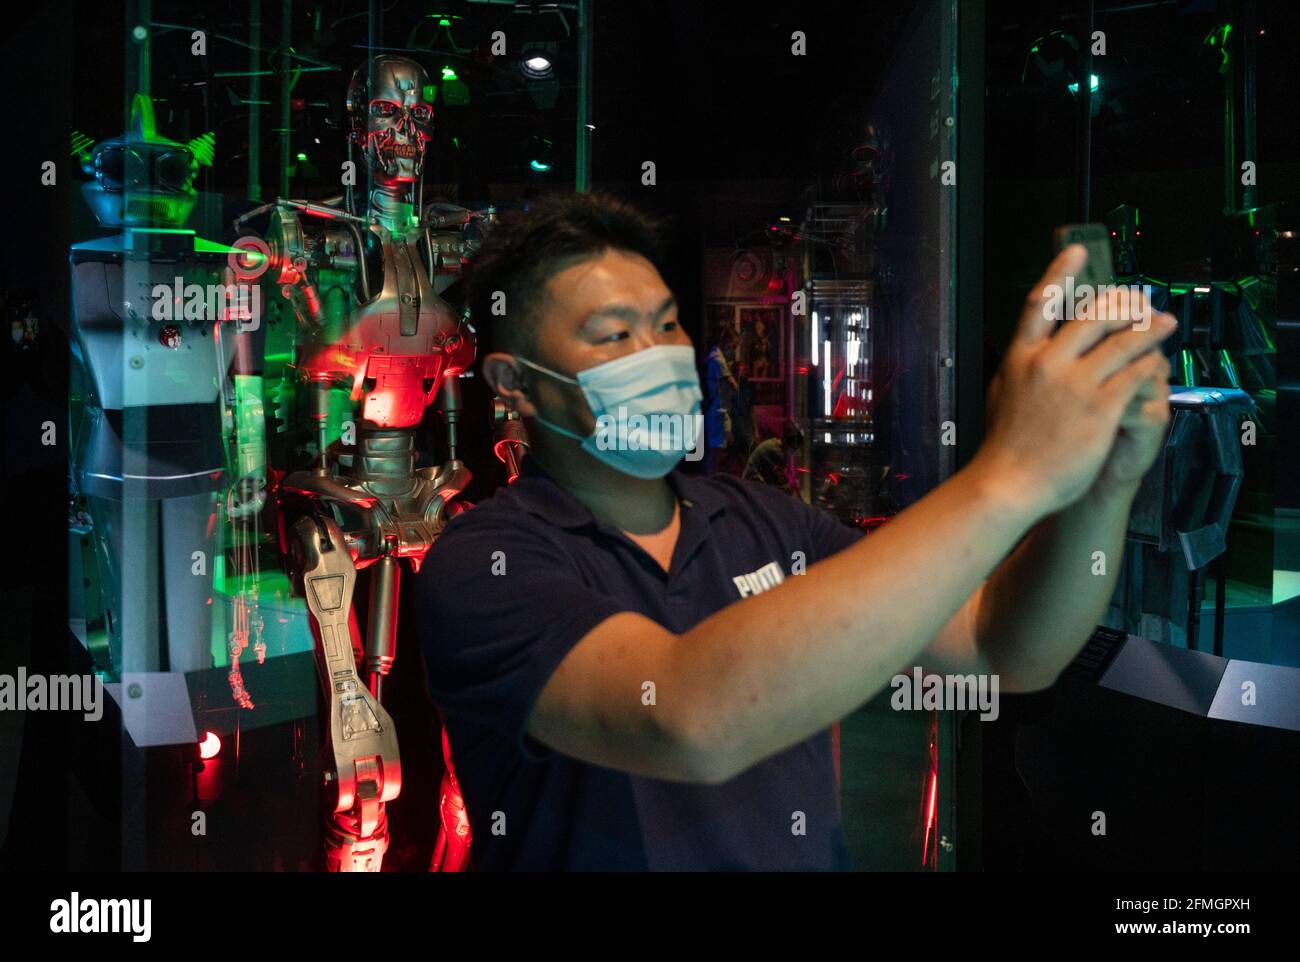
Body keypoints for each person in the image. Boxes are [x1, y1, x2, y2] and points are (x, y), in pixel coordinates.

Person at [413, 192, 1173, 870]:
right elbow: (688, 718)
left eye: (667, 323)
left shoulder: (762, 519)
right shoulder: (488, 562)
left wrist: (1104, 484)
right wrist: (1010, 473)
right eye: (613, 337)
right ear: (515, 384)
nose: (660, 355)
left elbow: (1004, 648)